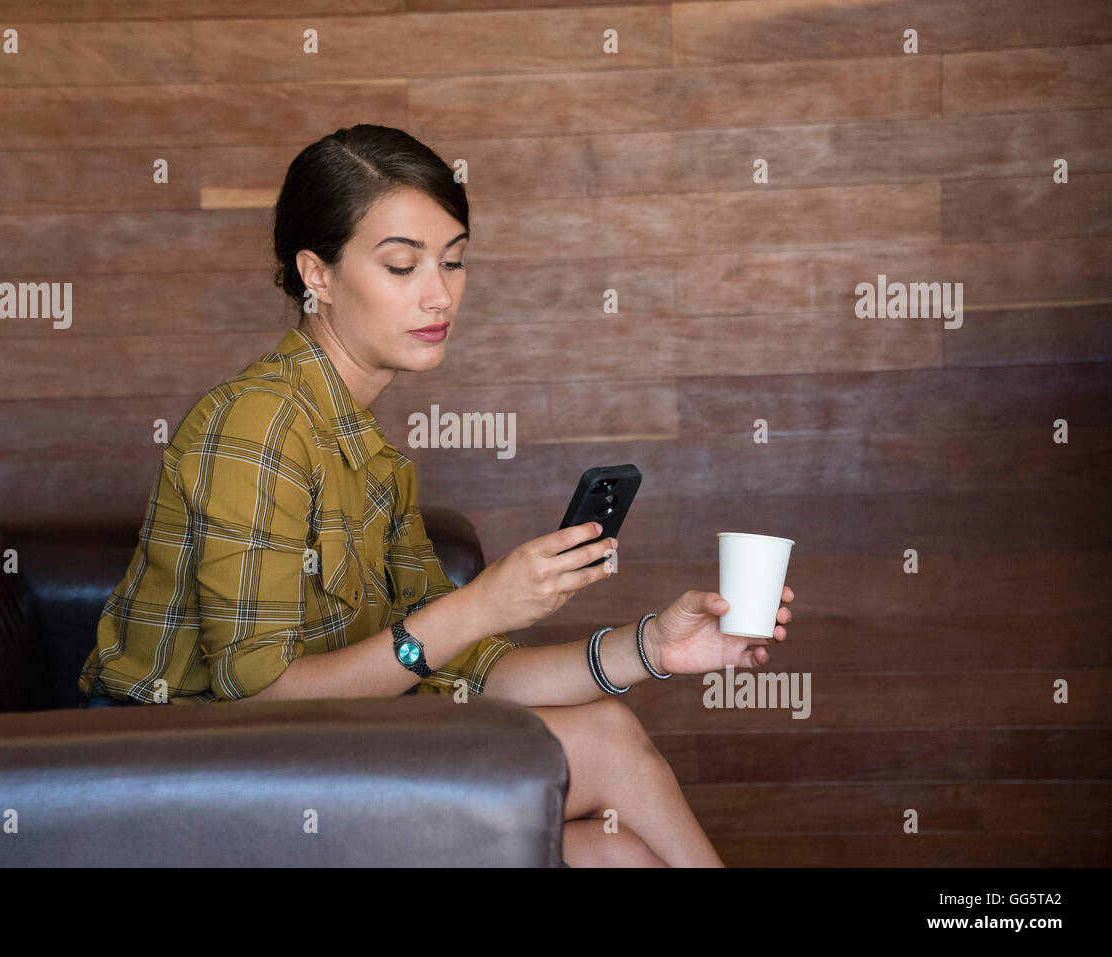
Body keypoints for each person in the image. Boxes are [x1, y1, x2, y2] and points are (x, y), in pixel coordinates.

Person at [77, 123, 795, 866]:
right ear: (315, 274)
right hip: (183, 771)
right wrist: (481, 602)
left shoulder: (372, 457)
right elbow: (256, 700)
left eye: (454, 262)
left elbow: (461, 674)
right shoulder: (258, 425)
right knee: (607, 742)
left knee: (617, 855)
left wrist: (653, 647)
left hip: (306, 755)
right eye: (401, 265)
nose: (439, 293)